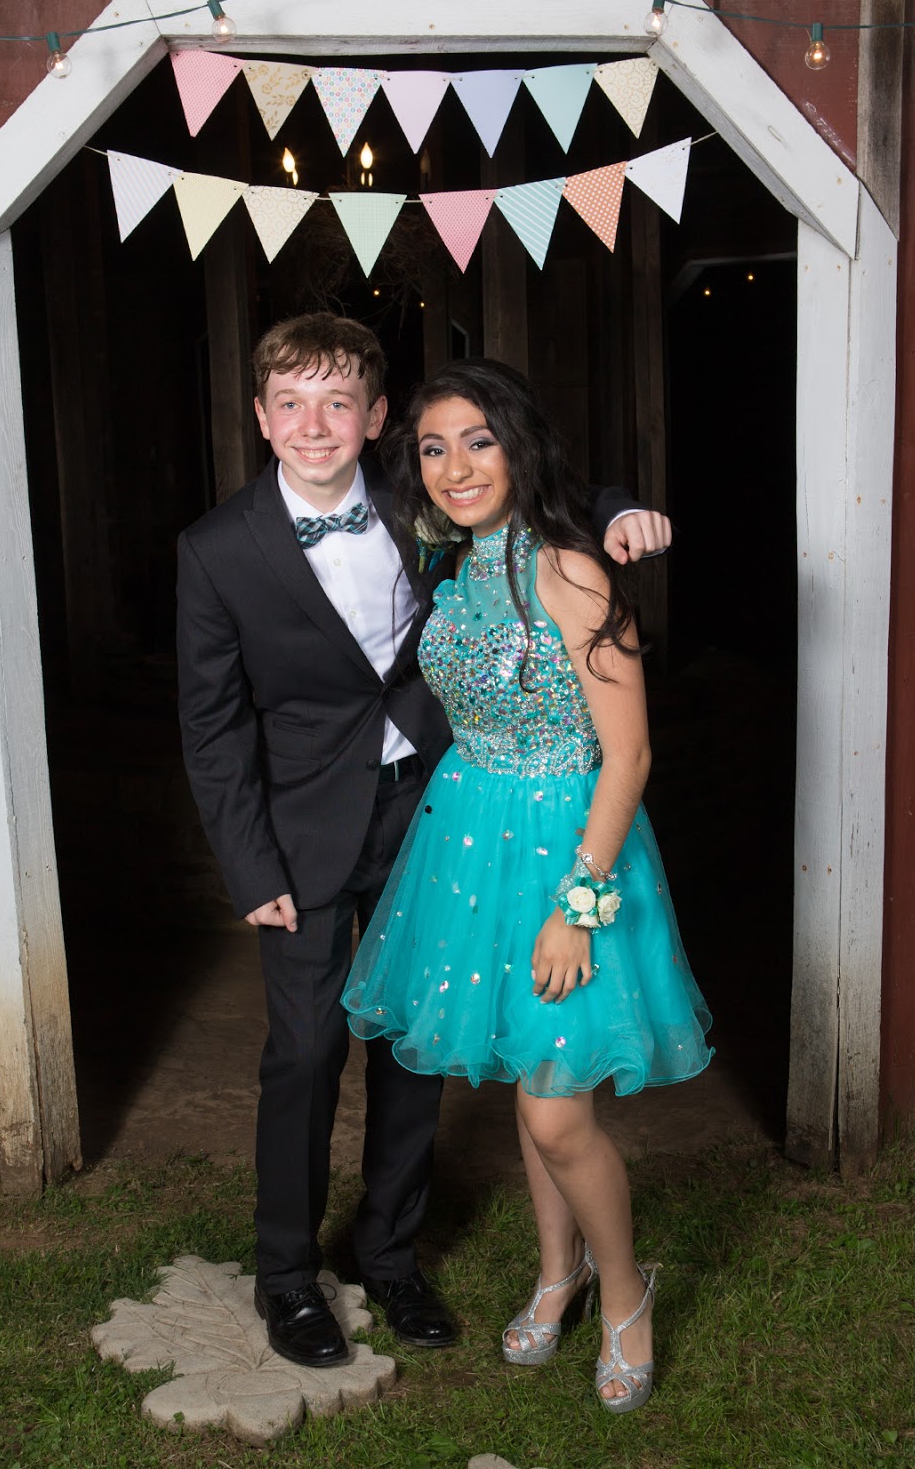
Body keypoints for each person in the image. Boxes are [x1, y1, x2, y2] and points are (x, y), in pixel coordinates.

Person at [176, 314, 671, 1370]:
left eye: (337, 402)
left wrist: (621, 508)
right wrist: (247, 863)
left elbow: (542, 487)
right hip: (302, 834)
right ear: (261, 419)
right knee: (305, 1049)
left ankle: (389, 1256)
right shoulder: (215, 548)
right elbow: (212, 725)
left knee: (417, 1049)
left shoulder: (423, 500)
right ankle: (285, 1276)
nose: (315, 425)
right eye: (291, 404)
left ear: (374, 417)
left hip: (436, 817)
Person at [343, 357, 712, 1412]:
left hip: (570, 849)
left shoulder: (573, 569)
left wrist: (575, 906)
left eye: (478, 440)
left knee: (557, 1115)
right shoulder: (449, 561)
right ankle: (558, 1275)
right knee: (519, 1064)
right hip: (467, 840)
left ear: (517, 446)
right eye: (432, 445)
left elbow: (629, 757)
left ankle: (625, 1291)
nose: (456, 465)